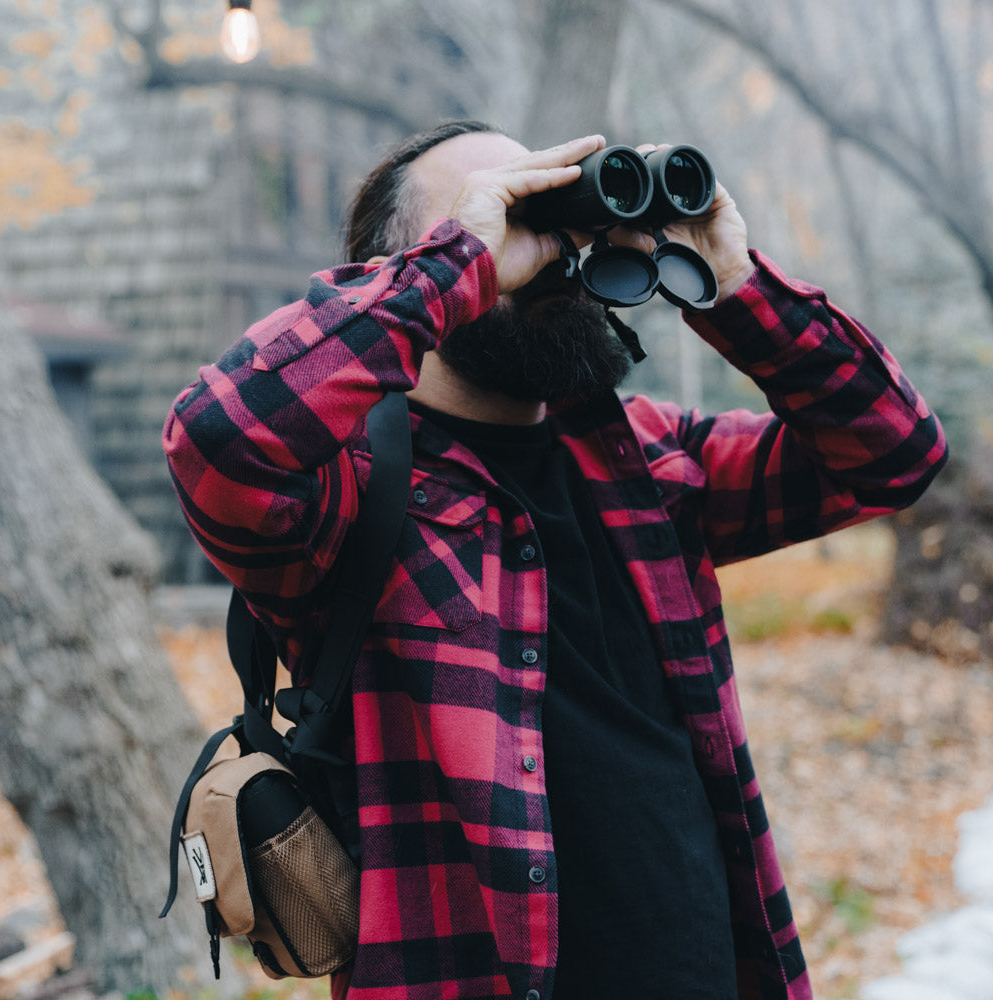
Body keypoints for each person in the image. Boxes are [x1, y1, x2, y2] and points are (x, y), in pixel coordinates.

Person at [164, 121, 947, 1000]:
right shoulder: (341, 496)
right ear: (409, 275)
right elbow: (217, 440)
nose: (542, 247)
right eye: (500, 216)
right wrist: (459, 268)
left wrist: (738, 287)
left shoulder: (641, 460)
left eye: (550, 206)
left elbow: (892, 452)